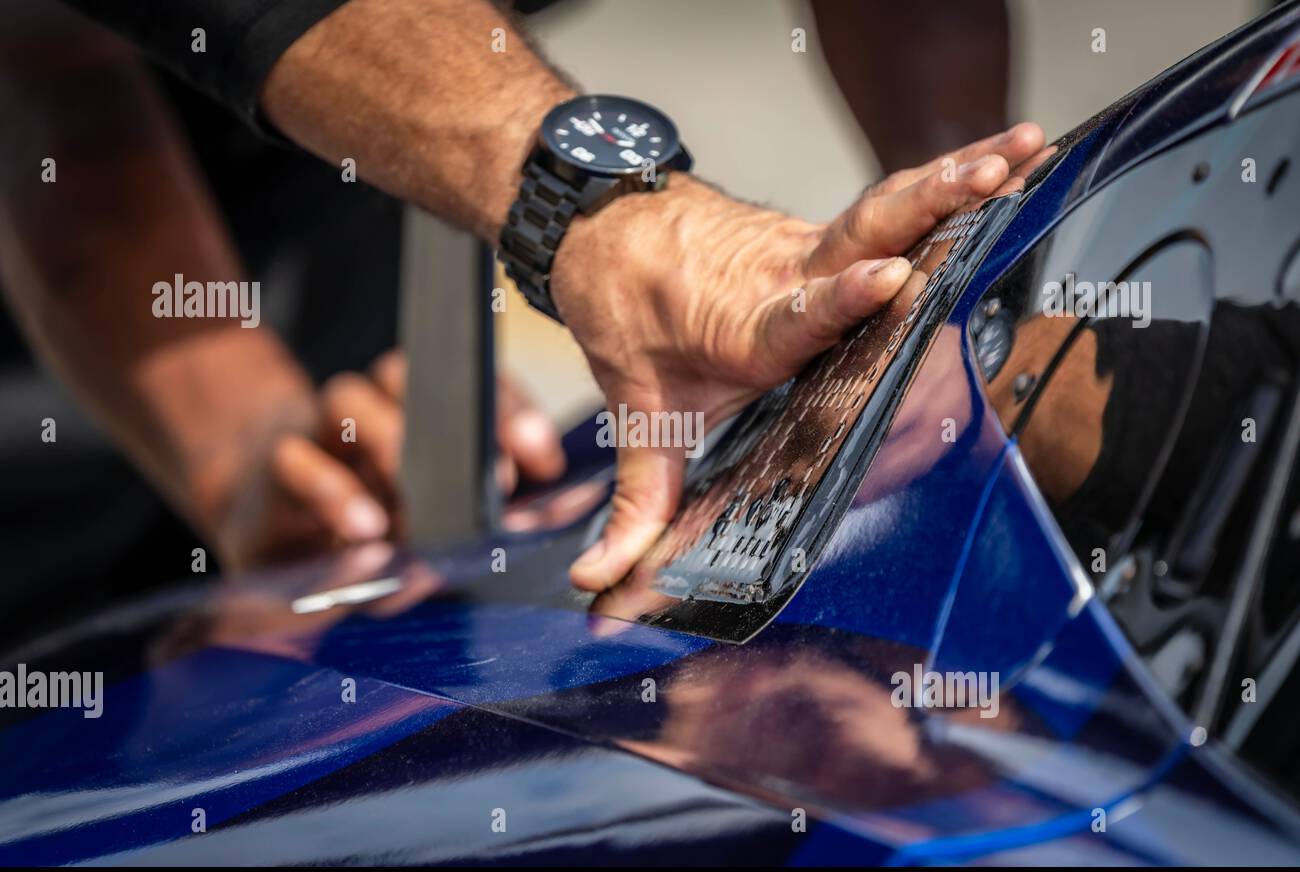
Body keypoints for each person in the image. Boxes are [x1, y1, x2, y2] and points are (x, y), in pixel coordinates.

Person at [17, 0, 1045, 595]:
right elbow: (51, 64)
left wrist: (953, 251)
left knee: (370, 514)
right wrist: (234, 442)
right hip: (76, 239)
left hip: (375, 167)